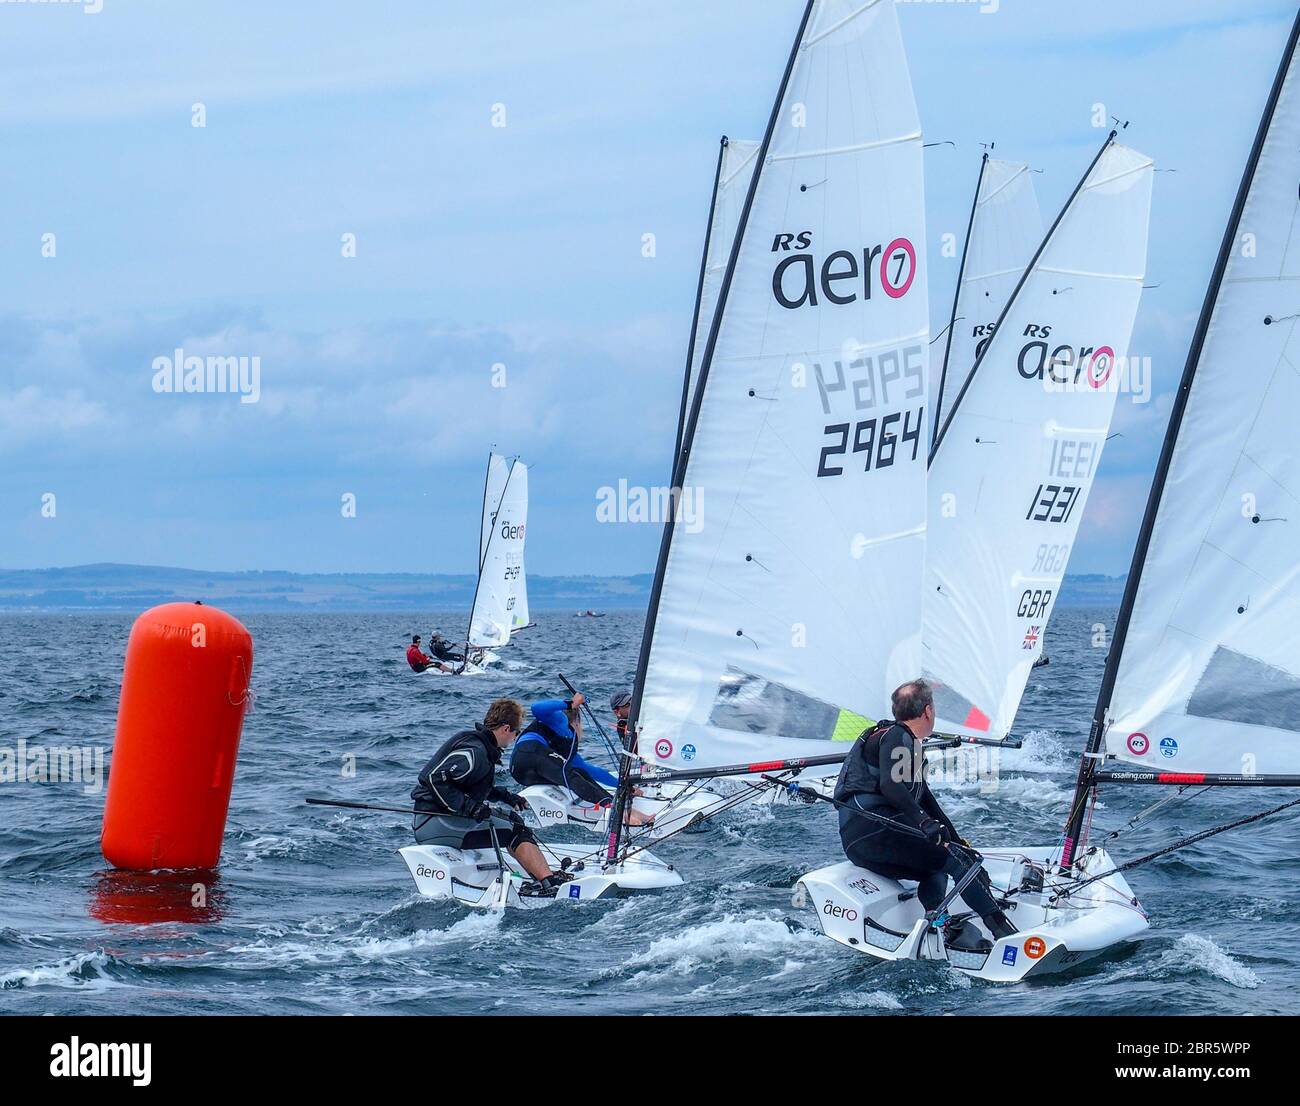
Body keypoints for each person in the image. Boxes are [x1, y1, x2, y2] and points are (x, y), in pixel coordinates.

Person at [833, 679, 1016, 949]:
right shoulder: (897, 735)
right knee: (954, 861)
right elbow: (891, 786)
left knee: (939, 864)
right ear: (928, 711)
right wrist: (925, 824)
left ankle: (941, 924)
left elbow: (928, 802)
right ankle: (1005, 933)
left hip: (861, 842)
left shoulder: (908, 746)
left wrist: (959, 843)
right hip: (874, 829)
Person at [411, 698, 572, 898]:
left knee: (513, 820)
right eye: (516, 732)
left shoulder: (480, 746)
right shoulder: (475, 752)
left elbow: (472, 784)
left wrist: (507, 797)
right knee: (514, 831)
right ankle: (548, 884)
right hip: (434, 822)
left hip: (442, 818)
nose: (515, 737)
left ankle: (541, 876)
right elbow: (434, 778)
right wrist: (471, 808)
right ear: (506, 729)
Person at [511, 693, 654, 826]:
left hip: (522, 774)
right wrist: (571, 704)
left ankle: (624, 811)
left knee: (580, 773)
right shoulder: (561, 720)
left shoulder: (564, 749)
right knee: (572, 775)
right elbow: (537, 708)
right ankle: (618, 813)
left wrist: (626, 787)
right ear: (577, 721)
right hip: (528, 753)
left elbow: (593, 772)